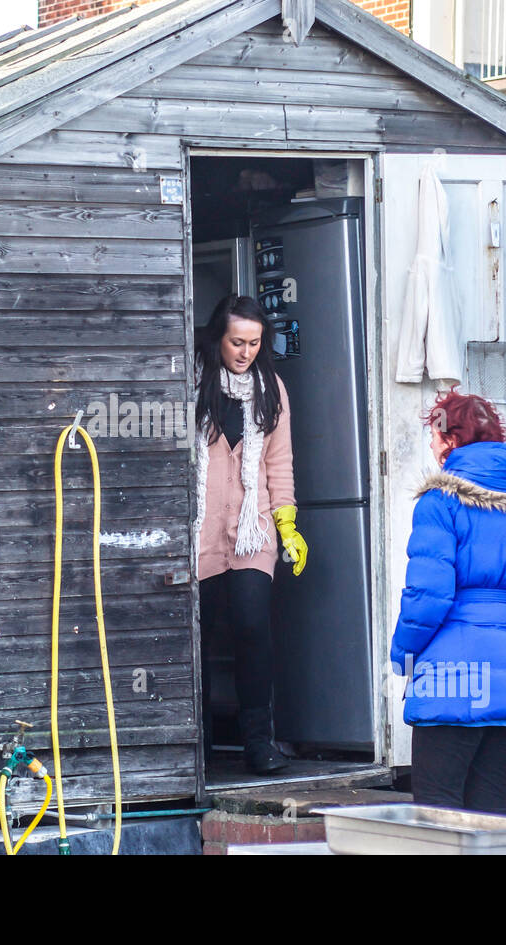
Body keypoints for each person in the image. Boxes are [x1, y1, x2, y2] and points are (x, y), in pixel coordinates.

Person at [391, 389, 506, 814]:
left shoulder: (440, 501)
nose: (431, 444)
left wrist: (403, 654)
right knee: (491, 808)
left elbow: (428, 596)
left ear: (452, 440)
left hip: (455, 674)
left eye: (434, 435)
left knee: (437, 808)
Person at [195, 295, 308, 775]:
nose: (244, 352)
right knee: (197, 639)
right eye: (236, 342)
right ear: (218, 338)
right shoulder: (192, 381)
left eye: (254, 343)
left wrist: (288, 525)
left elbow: (278, 463)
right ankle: (196, 745)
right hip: (199, 531)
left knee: (252, 632)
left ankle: (258, 743)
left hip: (252, 531)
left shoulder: (271, 389)